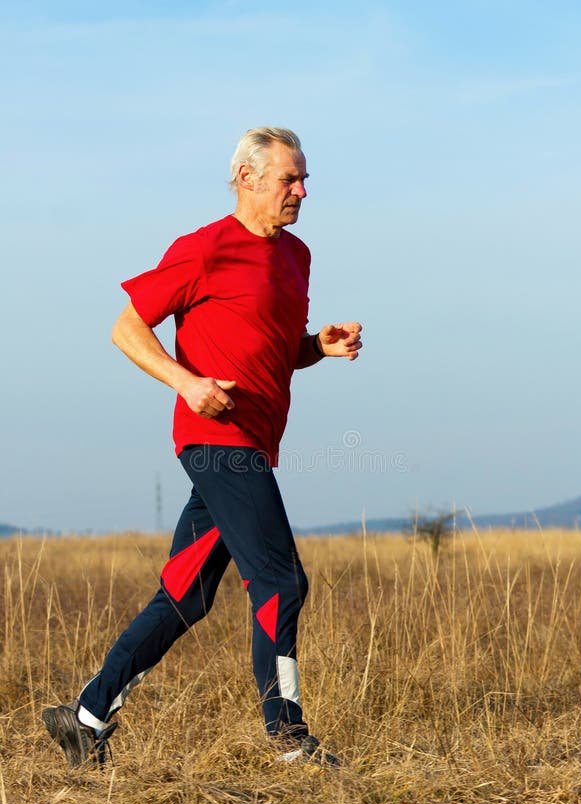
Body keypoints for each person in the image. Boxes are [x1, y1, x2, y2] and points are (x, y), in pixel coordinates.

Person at [42, 126, 362, 770]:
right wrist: (185, 382)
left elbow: (273, 352)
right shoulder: (205, 248)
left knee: (184, 595)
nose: (301, 190)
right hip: (216, 442)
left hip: (253, 444)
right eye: (288, 179)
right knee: (280, 579)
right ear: (248, 179)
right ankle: (288, 736)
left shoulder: (296, 256)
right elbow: (125, 328)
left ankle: (85, 717)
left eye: (304, 179)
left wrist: (315, 347)